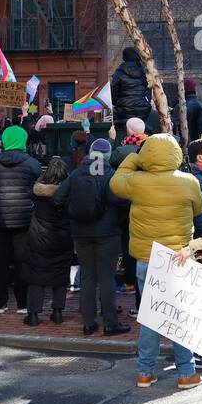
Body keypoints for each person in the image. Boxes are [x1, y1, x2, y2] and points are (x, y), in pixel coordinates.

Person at [110, 132, 202, 388]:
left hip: (147, 257)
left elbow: (115, 182)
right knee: (180, 316)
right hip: (179, 257)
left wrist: (134, 157)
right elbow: (199, 211)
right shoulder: (189, 182)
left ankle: (145, 372)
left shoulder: (136, 181)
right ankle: (187, 373)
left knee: (151, 315)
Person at [57, 138, 130, 336]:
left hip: (81, 233)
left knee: (88, 277)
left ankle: (89, 323)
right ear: (107, 155)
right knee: (106, 278)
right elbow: (120, 200)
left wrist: (73, 214)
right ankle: (110, 323)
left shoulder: (77, 172)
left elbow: (58, 197)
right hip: (108, 233)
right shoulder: (110, 174)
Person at [0, 124, 42, 315]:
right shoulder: (32, 163)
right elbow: (38, 190)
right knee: (22, 261)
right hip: (24, 219)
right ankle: (23, 303)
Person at [25, 157, 74, 324]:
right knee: (60, 274)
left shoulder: (37, 192)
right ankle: (58, 311)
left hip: (39, 237)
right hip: (62, 237)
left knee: (36, 275)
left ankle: (33, 314)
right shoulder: (69, 193)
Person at [111, 46, 153, 127]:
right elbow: (148, 89)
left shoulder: (119, 72)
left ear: (124, 57)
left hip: (123, 111)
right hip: (143, 111)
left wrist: (118, 103)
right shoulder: (144, 71)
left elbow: (113, 92)